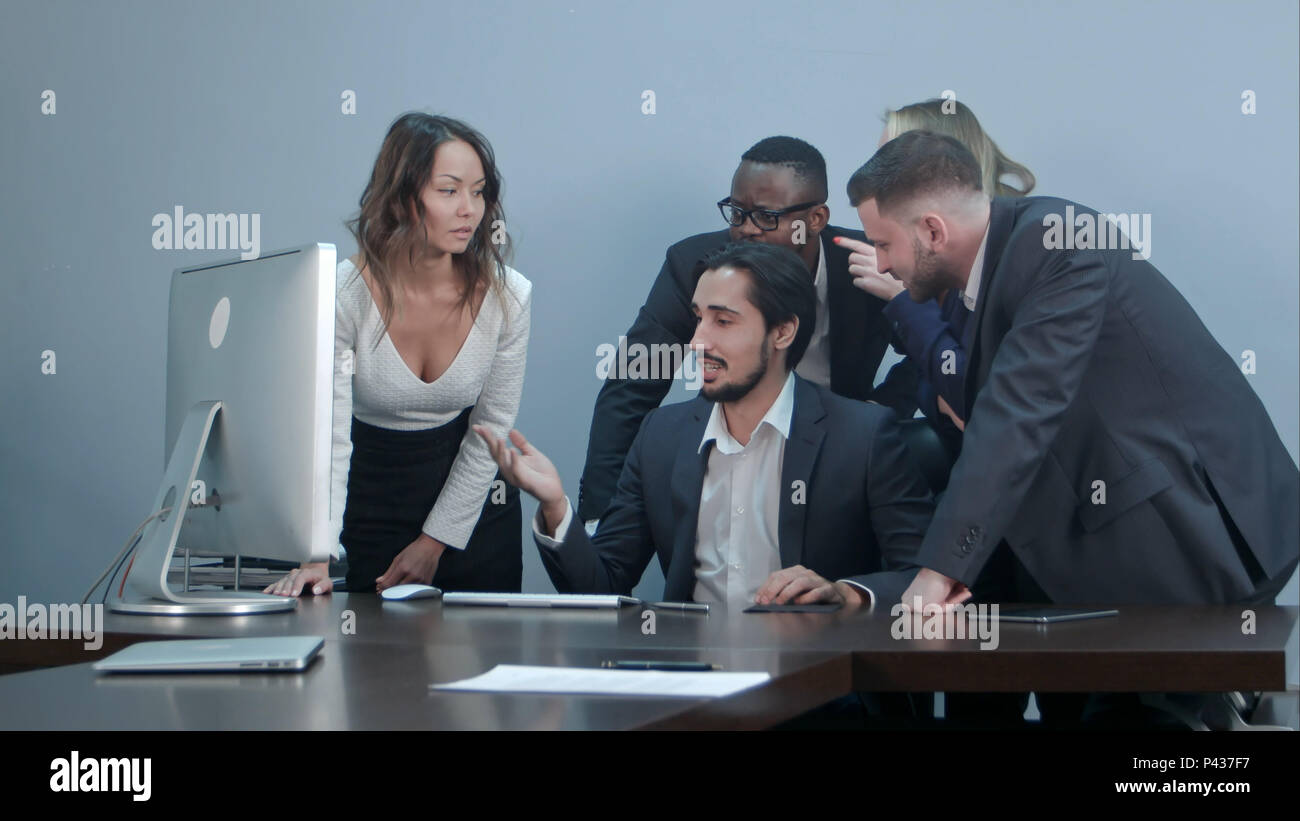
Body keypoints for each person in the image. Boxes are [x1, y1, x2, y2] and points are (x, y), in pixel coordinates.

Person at [850, 130, 1300, 727]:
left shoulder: (1056, 241)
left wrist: (938, 575)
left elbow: (1016, 414)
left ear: (933, 231)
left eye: (884, 243)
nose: (878, 262)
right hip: (1117, 559)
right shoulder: (983, 273)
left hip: (1190, 543)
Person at [477, 241, 934, 610]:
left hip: (817, 687)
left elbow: (922, 577)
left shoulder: (862, 435)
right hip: (690, 685)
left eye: (723, 321)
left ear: (783, 332)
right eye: (698, 319)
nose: (696, 343)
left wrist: (846, 593)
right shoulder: (662, 435)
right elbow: (602, 585)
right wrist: (556, 507)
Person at [576, 136, 921, 529]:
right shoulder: (697, 265)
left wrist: (885, 406)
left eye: (766, 217)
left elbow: (931, 353)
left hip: (836, 454)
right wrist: (599, 514)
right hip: (731, 448)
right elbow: (634, 382)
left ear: (816, 219)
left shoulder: (867, 261)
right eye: (737, 213)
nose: (746, 230)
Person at [265, 112, 532, 597]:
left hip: (473, 506)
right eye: (448, 190)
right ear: (403, 196)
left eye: (479, 191)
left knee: (480, 659)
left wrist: (435, 542)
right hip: (373, 498)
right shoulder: (343, 294)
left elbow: (490, 430)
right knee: (378, 661)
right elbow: (330, 437)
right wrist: (318, 554)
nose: (469, 209)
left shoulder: (508, 296)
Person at [838, 99, 1036, 450]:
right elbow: (926, 372)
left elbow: (977, 400)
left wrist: (904, 300)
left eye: (890, 162)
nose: (877, 175)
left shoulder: (1014, 255)